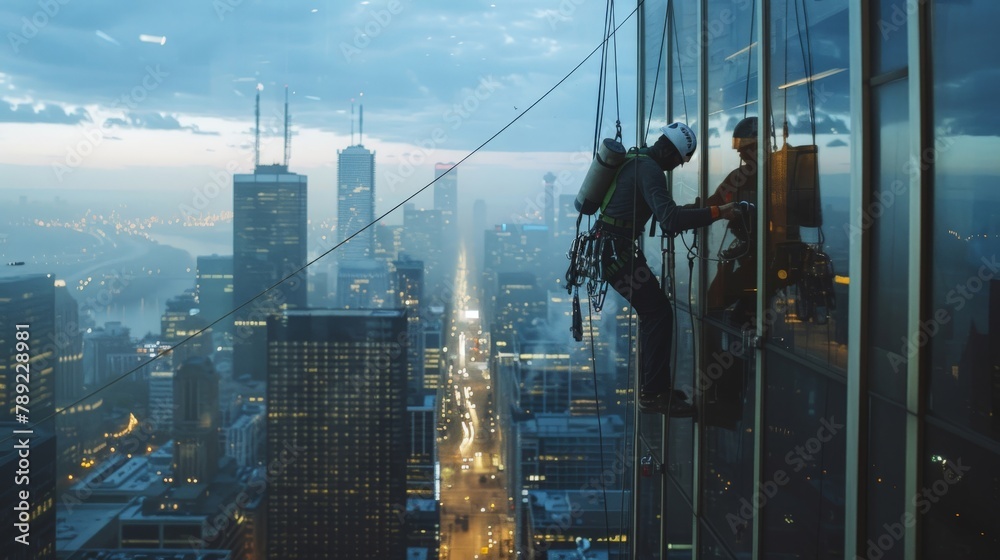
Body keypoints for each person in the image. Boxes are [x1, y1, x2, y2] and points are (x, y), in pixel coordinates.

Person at [596, 122, 739, 417]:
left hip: (613, 253)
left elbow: (668, 214)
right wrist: (716, 213)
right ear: (670, 152)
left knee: (655, 314)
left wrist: (699, 211)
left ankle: (654, 388)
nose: (675, 168)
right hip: (617, 255)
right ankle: (654, 393)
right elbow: (670, 220)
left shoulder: (637, 160)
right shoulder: (650, 170)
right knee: (658, 313)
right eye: (677, 161)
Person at [706, 116, 759, 325]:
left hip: (759, 256)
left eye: (743, 147)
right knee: (717, 300)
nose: (739, 152)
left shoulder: (775, 175)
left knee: (716, 301)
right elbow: (715, 201)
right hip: (749, 253)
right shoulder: (740, 177)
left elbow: (714, 203)